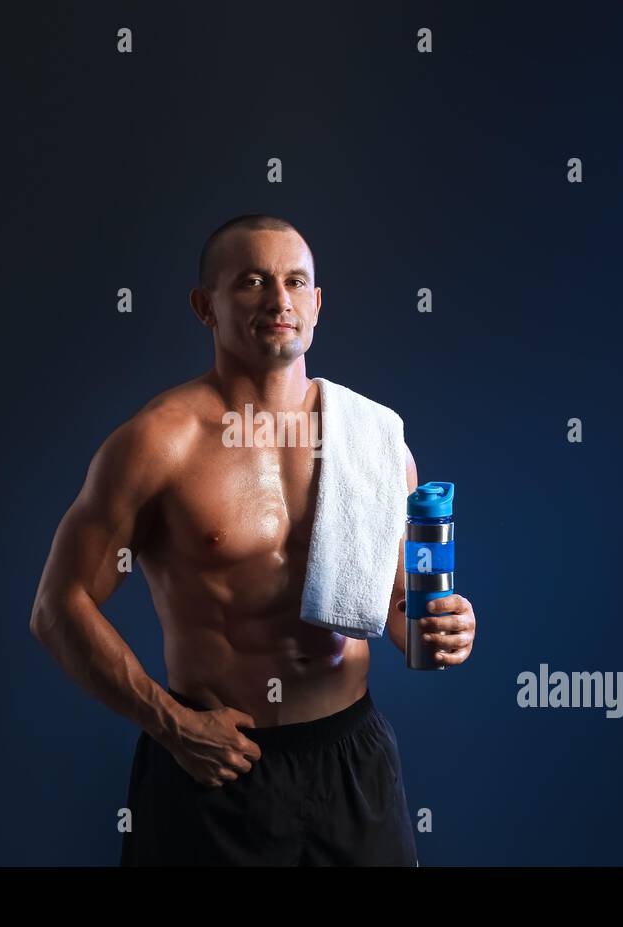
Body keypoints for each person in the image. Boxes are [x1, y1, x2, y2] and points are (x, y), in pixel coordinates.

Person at [28, 214, 477, 865]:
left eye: (296, 281)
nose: (279, 300)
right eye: (252, 281)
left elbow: (395, 604)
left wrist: (441, 627)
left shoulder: (375, 441)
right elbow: (57, 605)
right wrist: (171, 724)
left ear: (317, 304)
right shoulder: (159, 444)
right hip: (214, 767)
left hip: (351, 764)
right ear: (204, 305)